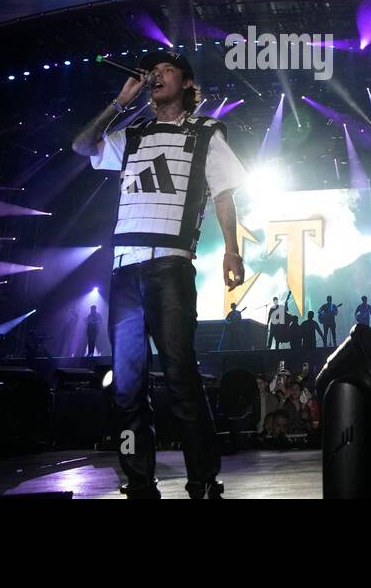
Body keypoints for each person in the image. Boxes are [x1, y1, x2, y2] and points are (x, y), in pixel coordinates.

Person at [72, 52, 248, 499]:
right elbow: (81, 146)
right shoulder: (132, 135)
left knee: (180, 376)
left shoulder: (206, 132)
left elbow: (224, 195)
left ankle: (204, 478)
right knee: (127, 387)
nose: (155, 76)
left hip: (170, 265)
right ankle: (138, 481)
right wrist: (119, 102)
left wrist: (232, 250)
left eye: (166, 70)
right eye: (152, 72)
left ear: (187, 83)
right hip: (125, 268)